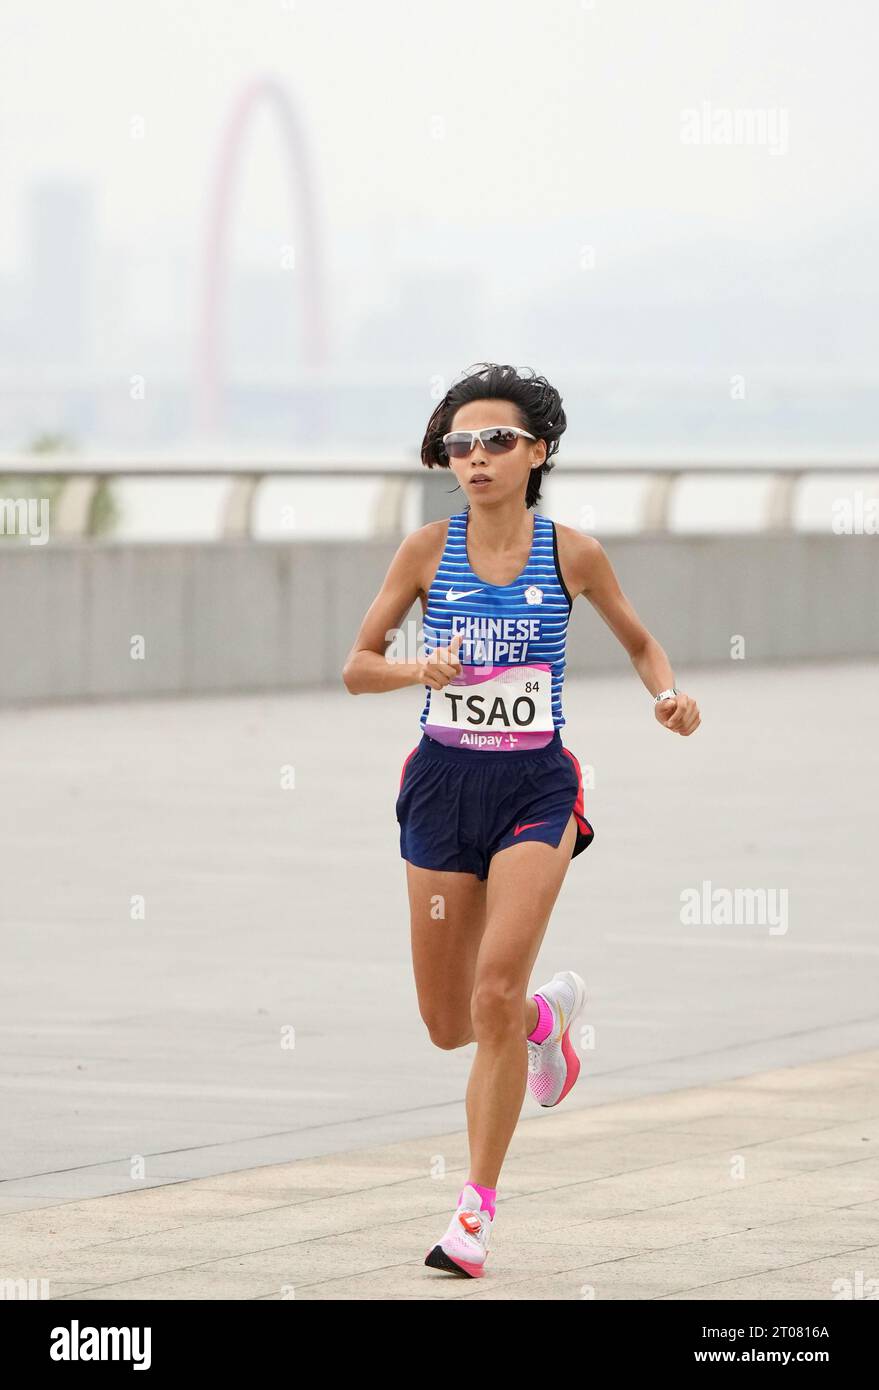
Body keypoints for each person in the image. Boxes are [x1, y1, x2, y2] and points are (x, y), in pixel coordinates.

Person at [342, 362, 701, 1278]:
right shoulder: (424, 551)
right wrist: (415, 672)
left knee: (492, 991)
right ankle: (547, 1022)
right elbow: (355, 664)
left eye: (497, 440)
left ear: (537, 452)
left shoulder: (572, 554)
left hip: (538, 789)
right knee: (450, 1021)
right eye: (460, 445)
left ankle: (472, 1217)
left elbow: (640, 640)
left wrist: (667, 694)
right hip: (439, 786)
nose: (477, 458)